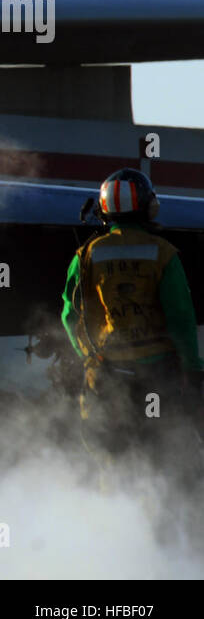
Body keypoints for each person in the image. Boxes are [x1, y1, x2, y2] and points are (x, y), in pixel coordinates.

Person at [60, 168, 203, 470]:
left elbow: (70, 314)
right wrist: (191, 368)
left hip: (108, 373)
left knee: (111, 456)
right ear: (148, 207)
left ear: (104, 211)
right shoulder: (163, 253)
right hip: (159, 375)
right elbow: (180, 316)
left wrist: (89, 357)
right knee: (164, 453)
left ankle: (116, 499)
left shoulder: (86, 255)